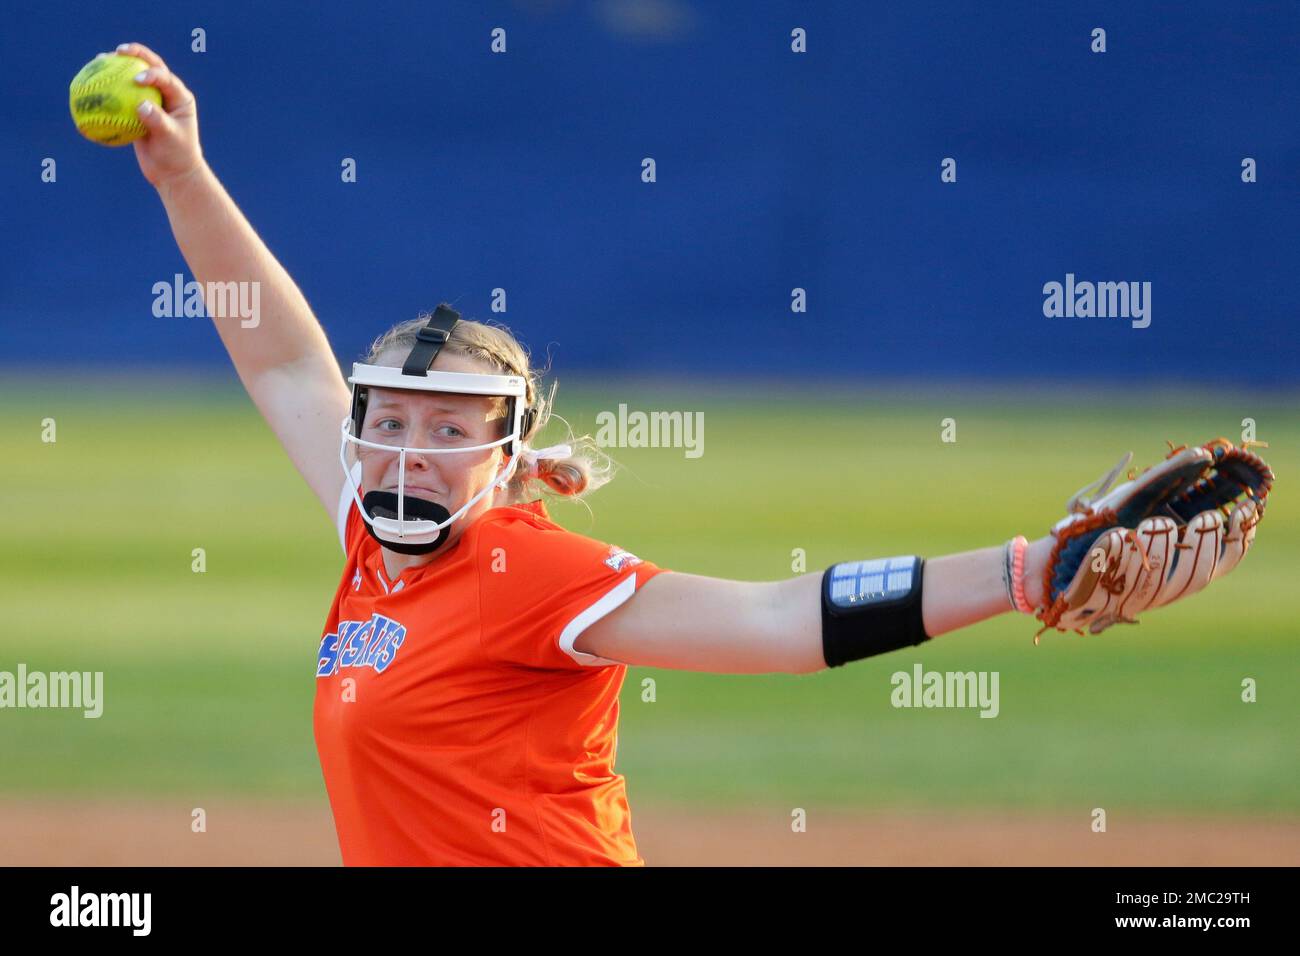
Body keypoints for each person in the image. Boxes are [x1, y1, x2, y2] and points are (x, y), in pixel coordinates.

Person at [116, 41, 1243, 866]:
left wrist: (1020, 570)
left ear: (505, 455)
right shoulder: (371, 533)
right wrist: (181, 176)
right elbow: (278, 362)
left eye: (451, 427)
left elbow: (774, 620)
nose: (412, 450)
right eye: (394, 420)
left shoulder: (523, 571)